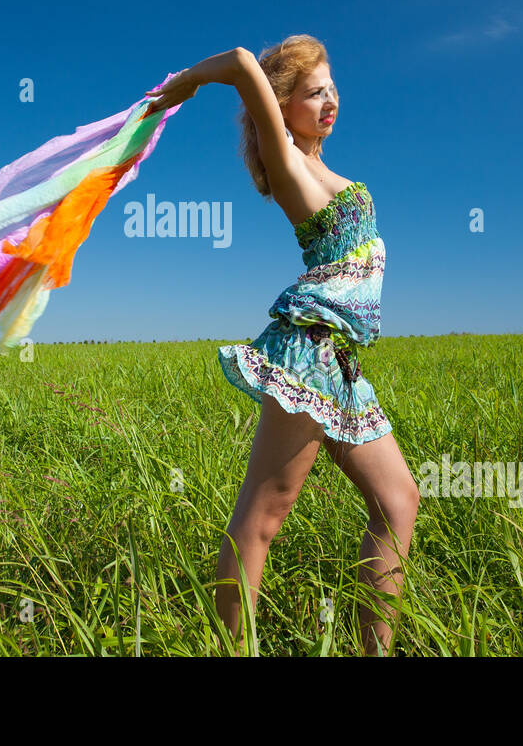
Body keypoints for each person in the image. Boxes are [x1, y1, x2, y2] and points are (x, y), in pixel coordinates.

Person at [144, 35, 420, 656]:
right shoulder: (289, 162)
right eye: (314, 92)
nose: (329, 101)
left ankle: (373, 652)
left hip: (344, 366)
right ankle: (231, 650)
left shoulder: (331, 171)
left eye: (332, 89)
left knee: (399, 498)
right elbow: (244, 64)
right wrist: (181, 86)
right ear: (284, 103)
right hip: (309, 356)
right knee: (264, 515)